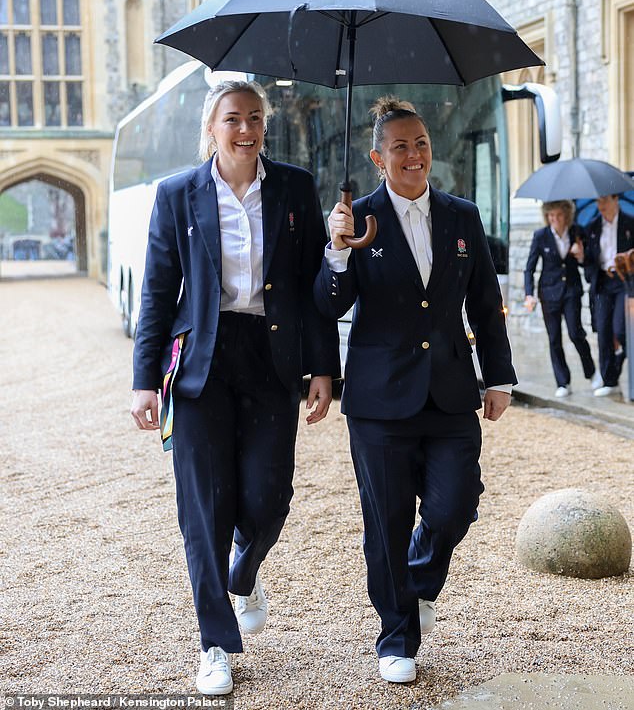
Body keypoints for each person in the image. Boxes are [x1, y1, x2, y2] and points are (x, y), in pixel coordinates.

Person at [130, 79, 340, 696]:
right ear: (211, 128)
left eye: (254, 117)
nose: (245, 129)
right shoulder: (177, 195)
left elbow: (309, 294)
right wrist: (145, 381)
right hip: (201, 363)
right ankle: (214, 644)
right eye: (232, 119)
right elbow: (156, 292)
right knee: (203, 511)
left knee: (270, 496)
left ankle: (242, 576)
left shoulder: (296, 189)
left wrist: (323, 368)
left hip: (272, 358)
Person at [314, 96, 517, 685]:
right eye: (400, 146)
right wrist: (337, 251)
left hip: (452, 391)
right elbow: (328, 305)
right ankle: (397, 633)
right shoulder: (357, 221)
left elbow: (484, 302)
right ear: (378, 157)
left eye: (421, 142)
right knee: (387, 520)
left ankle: (418, 583)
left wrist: (497, 377)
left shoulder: (462, 216)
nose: (414, 155)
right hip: (380, 400)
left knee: (456, 504)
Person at [523, 200, 598, 397]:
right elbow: (529, 267)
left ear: (567, 216)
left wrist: (581, 256)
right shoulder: (541, 236)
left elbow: (588, 262)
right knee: (554, 338)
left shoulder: (577, 232)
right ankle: (563, 382)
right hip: (549, 294)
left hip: (572, 291)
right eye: (551, 216)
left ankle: (592, 373)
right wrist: (529, 294)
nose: (554, 220)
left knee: (576, 333)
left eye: (559, 215)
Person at [584, 194, 634, 396]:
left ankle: (621, 356)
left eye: (604, 201)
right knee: (603, 331)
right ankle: (609, 380)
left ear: (615, 200)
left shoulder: (630, 223)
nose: (600, 206)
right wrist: (581, 256)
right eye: (597, 202)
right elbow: (589, 260)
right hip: (603, 283)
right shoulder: (592, 227)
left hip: (624, 281)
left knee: (621, 330)